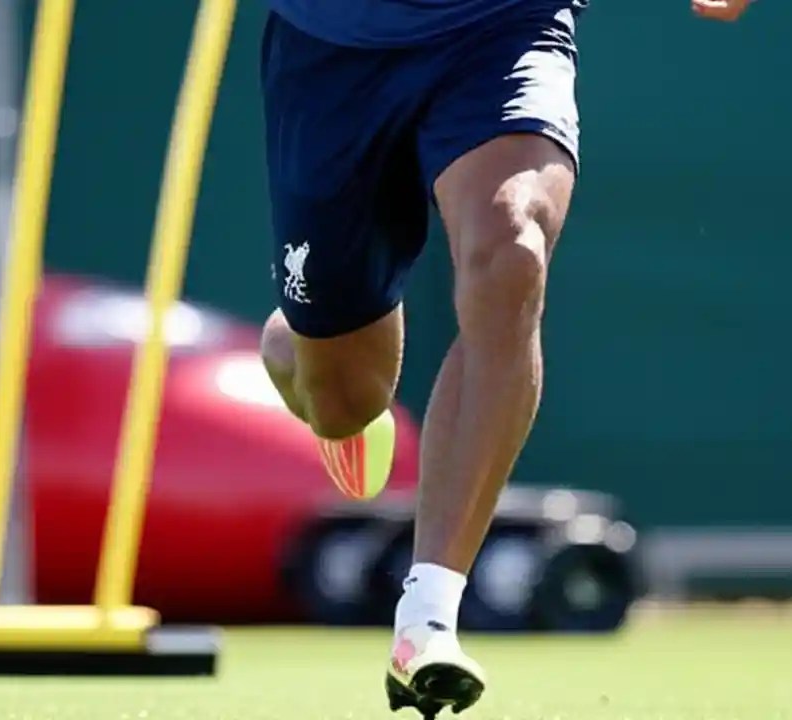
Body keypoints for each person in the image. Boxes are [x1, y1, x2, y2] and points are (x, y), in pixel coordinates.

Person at [257, 0, 755, 715]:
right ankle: (297, 340)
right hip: (333, 44)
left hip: (502, 26)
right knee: (341, 397)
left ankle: (426, 618)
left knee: (513, 249)